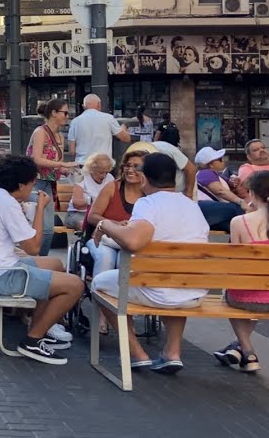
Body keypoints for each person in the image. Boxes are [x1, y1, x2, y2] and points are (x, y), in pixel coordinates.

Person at [92, 152, 210, 374]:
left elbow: (133, 241)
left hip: (156, 291)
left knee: (98, 284)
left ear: (144, 179)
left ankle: (136, 353)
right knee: (175, 283)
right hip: (193, 292)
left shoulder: (148, 203)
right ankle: (172, 352)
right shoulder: (192, 205)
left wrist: (105, 225)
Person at [0, 155, 85, 365]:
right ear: (21, 185)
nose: (32, 188)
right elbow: (33, 248)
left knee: (55, 265)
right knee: (75, 285)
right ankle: (33, 340)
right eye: (32, 183)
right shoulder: (7, 203)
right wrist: (40, 209)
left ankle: (40, 327)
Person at [213, 170, 269, 374]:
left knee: (234, 288)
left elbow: (234, 263)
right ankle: (237, 348)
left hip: (246, 299)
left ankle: (247, 352)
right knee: (252, 287)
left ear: (252, 193)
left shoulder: (239, 222)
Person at [84, 149, 151, 281]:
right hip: (103, 239)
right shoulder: (112, 187)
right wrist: (115, 224)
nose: (130, 170)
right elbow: (92, 216)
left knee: (125, 260)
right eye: (127, 165)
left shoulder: (150, 193)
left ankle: (121, 293)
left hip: (130, 242)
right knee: (105, 258)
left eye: (136, 167)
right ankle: (99, 291)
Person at [27, 99, 78, 256]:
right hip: (34, 183)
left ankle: (41, 260)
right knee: (39, 227)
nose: (67, 116)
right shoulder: (40, 132)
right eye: (65, 113)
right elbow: (36, 159)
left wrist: (65, 170)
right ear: (54, 113)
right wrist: (62, 165)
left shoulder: (60, 137)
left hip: (48, 184)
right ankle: (37, 260)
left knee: (48, 230)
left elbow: (54, 164)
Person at [66, 94, 132, 165]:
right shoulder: (108, 118)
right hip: (103, 165)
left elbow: (72, 151)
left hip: (82, 164)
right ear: (99, 105)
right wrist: (123, 127)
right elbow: (126, 138)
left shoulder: (75, 122)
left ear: (83, 106)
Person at [193, 147, 246, 232]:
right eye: (220, 160)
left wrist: (233, 183)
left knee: (235, 225)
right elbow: (220, 191)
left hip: (213, 212)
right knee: (238, 208)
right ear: (211, 164)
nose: (223, 161)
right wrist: (241, 202)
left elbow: (229, 183)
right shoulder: (206, 173)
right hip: (205, 207)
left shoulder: (217, 175)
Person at [68, 153, 114, 232]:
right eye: (101, 172)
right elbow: (77, 204)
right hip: (78, 214)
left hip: (99, 215)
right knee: (86, 225)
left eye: (106, 172)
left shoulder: (110, 178)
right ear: (92, 169)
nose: (104, 176)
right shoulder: (82, 176)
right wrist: (93, 201)